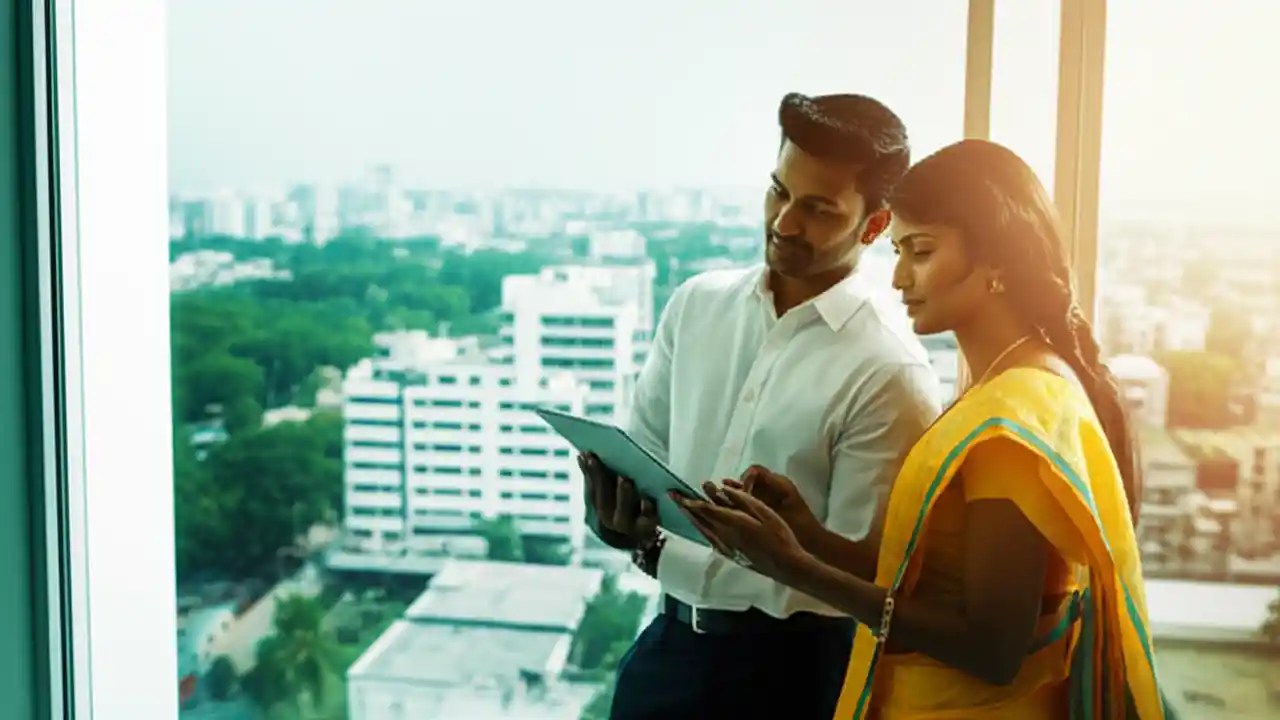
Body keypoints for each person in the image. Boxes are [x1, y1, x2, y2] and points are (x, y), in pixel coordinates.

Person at [677, 138, 1174, 718]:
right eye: (898, 251)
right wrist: (807, 536)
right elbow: (936, 586)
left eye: (922, 251)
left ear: (997, 262)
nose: (899, 279)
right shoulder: (1004, 385)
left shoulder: (1013, 418)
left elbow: (992, 648)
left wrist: (792, 568)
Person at [579, 92, 941, 720]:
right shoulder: (695, 306)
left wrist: (781, 550)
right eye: (778, 192)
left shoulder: (891, 371)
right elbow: (645, 469)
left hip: (793, 680)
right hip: (666, 651)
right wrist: (617, 518)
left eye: (818, 209)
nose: (783, 223)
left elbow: (874, 578)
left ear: (875, 225)